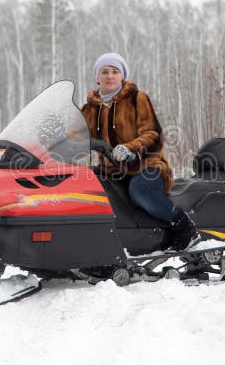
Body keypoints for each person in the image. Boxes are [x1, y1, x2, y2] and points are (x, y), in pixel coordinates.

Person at [81, 53, 200, 251]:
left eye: (115, 71)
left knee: (139, 190)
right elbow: (74, 135)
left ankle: (184, 227)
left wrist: (130, 148)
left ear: (122, 76)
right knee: (82, 179)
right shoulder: (89, 109)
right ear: (97, 76)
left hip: (147, 166)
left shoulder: (137, 99)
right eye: (105, 71)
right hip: (112, 170)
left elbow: (152, 133)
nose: (110, 76)